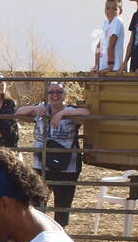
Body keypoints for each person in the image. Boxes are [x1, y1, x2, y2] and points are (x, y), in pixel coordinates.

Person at [15, 82, 90, 227]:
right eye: (51, 92)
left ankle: (59, 234)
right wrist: (35, 108)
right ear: (47, 95)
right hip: (42, 163)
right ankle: (39, 233)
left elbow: (86, 113)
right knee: (37, 203)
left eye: (59, 92)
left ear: (65, 95)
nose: (55, 95)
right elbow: (18, 112)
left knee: (62, 205)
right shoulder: (41, 109)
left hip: (67, 165)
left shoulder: (71, 110)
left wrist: (63, 113)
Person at [93, 0, 125, 74]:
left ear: (120, 11)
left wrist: (110, 66)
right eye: (108, 8)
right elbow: (98, 46)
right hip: (103, 67)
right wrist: (97, 66)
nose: (110, 11)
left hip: (113, 67)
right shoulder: (106, 23)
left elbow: (111, 45)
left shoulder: (117, 21)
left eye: (114, 9)